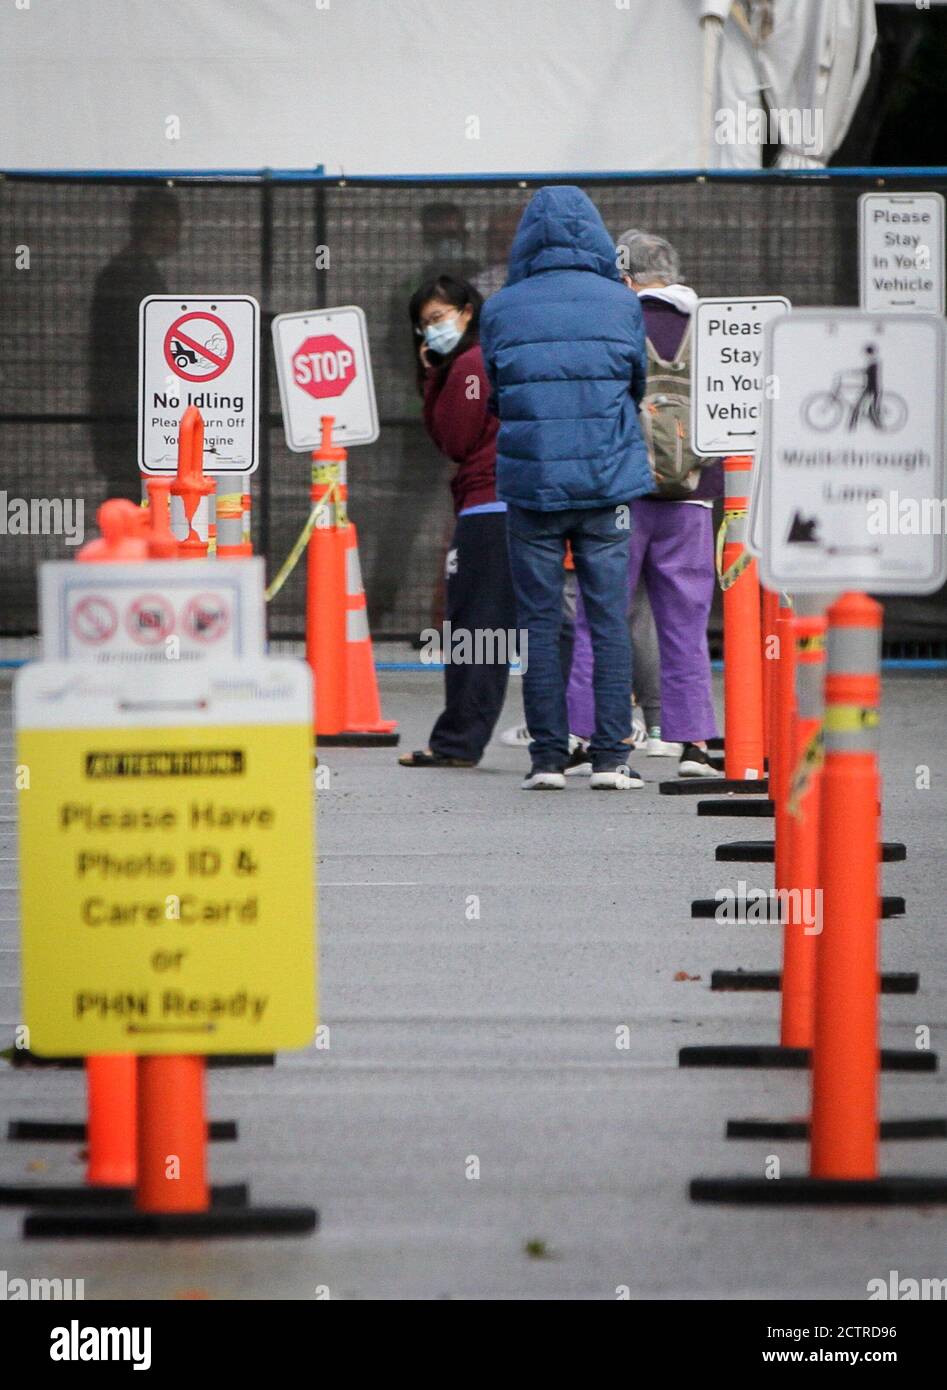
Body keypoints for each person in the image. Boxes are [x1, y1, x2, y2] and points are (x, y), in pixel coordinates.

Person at [479, 186, 653, 791]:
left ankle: (548, 759)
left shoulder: (501, 307)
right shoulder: (621, 303)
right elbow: (636, 384)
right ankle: (610, 759)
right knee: (609, 620)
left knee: (539, 623)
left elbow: (499, 395)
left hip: (532, 484)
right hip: (606, 485)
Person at [567, 229, 720, 778]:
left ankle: (584, 733)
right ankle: (694, 743)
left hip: (622, 493)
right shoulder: (711, 327)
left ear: (624, 277)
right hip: (694, 495)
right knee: (684, 622)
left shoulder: (615, 323)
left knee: (598, 616)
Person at [398, 276, 517, 768]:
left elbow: (455, 440)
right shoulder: (480, 360)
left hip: (488, 507)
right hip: (505, 502)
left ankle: (458, 741)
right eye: (424, 323)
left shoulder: (470, 365)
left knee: (476, 628)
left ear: (468, 312)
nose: (431, 331)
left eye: (438, 318)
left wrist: (432, 381)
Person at [89, 188, 181, 500]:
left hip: (127, 421)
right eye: (173, 219)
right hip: (129, 422)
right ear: (156, 221)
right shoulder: (131, 275)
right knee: (131, 499)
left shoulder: (131, 272)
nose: (179, 229)